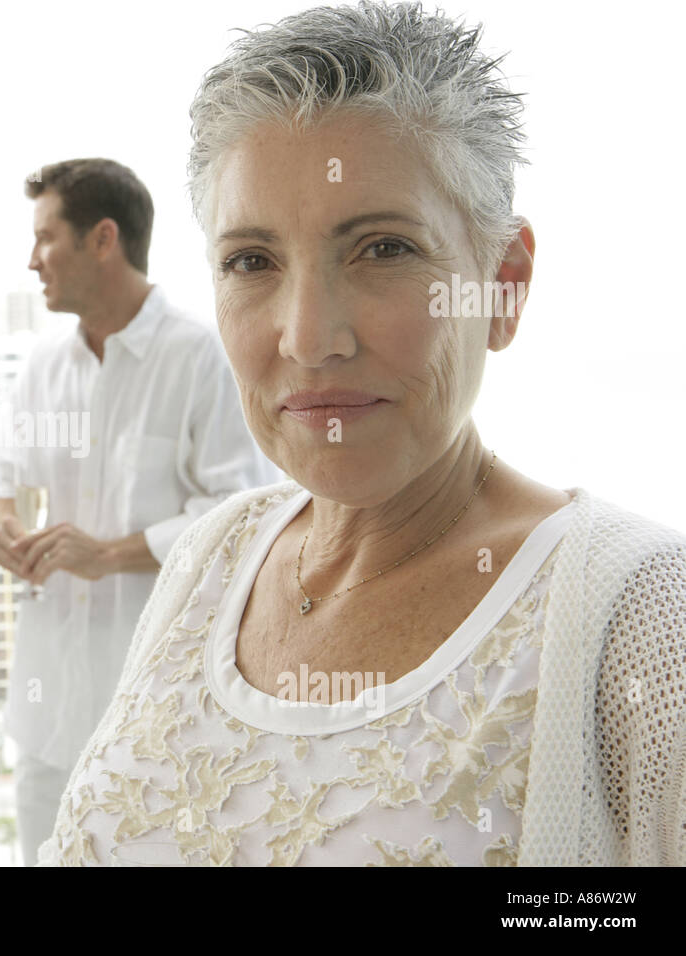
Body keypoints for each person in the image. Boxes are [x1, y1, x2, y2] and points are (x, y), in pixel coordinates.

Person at [38, 0, 686, 867]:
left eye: (382, 249)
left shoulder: (639, 613)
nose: (309, 337)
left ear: (504, 285)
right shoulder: (209, 560)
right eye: (252, 262)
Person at [0, 158, 281, 865]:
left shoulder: (200, 357)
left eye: (45, 237)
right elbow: (4, 476)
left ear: (102, 239)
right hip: (46, 709)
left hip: (157, 711)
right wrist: (1, 522)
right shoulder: (40, 367)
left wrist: (111, 554)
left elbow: (239, 510)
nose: (32, 261)